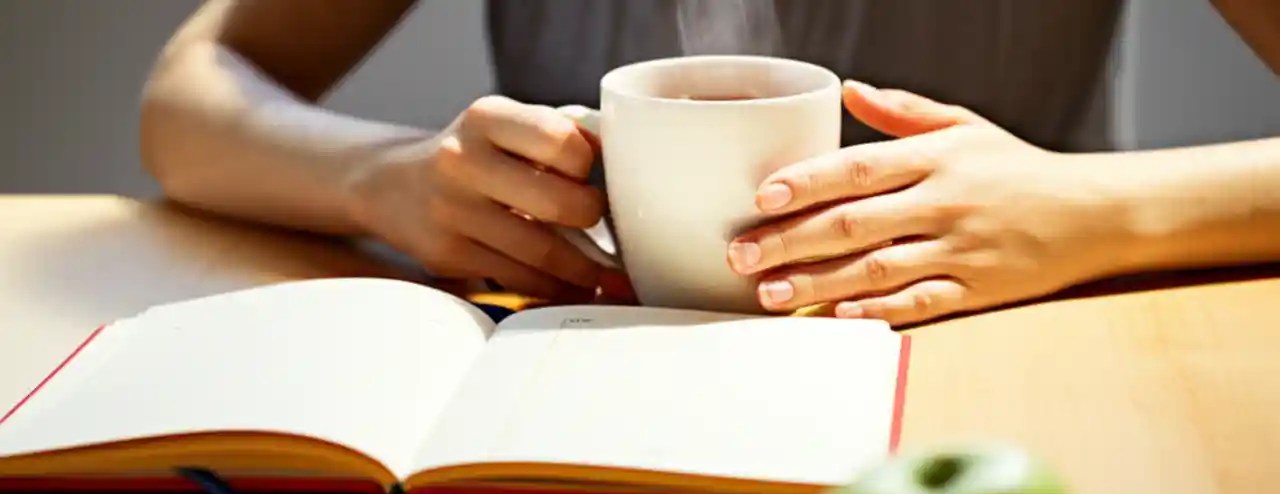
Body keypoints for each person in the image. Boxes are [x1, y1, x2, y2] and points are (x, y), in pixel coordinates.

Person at [140, 1, 1280, 325]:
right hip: (590, 405)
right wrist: (380, 176)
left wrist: (1099, 206)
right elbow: (191, 92)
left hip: (1017, 371)